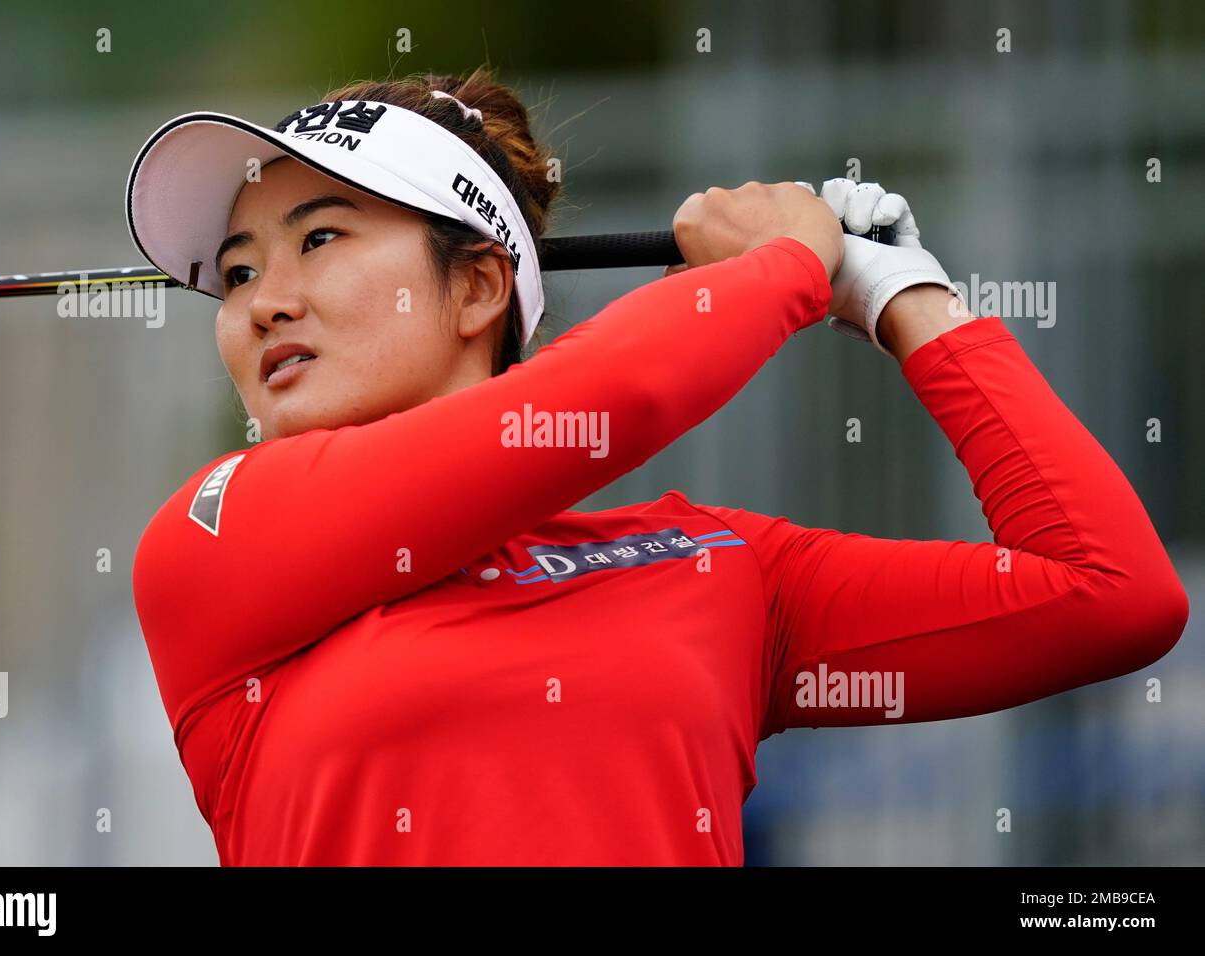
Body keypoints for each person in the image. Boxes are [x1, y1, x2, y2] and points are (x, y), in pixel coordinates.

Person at [126, 66, 1189, 866]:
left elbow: (1107, 593)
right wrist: (785, 262)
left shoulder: (712, 564)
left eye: (319, 239)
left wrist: (908, 300)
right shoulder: (218, 540)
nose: (261, 300)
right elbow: (609, 398)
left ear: (479, 287)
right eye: (235, 271)